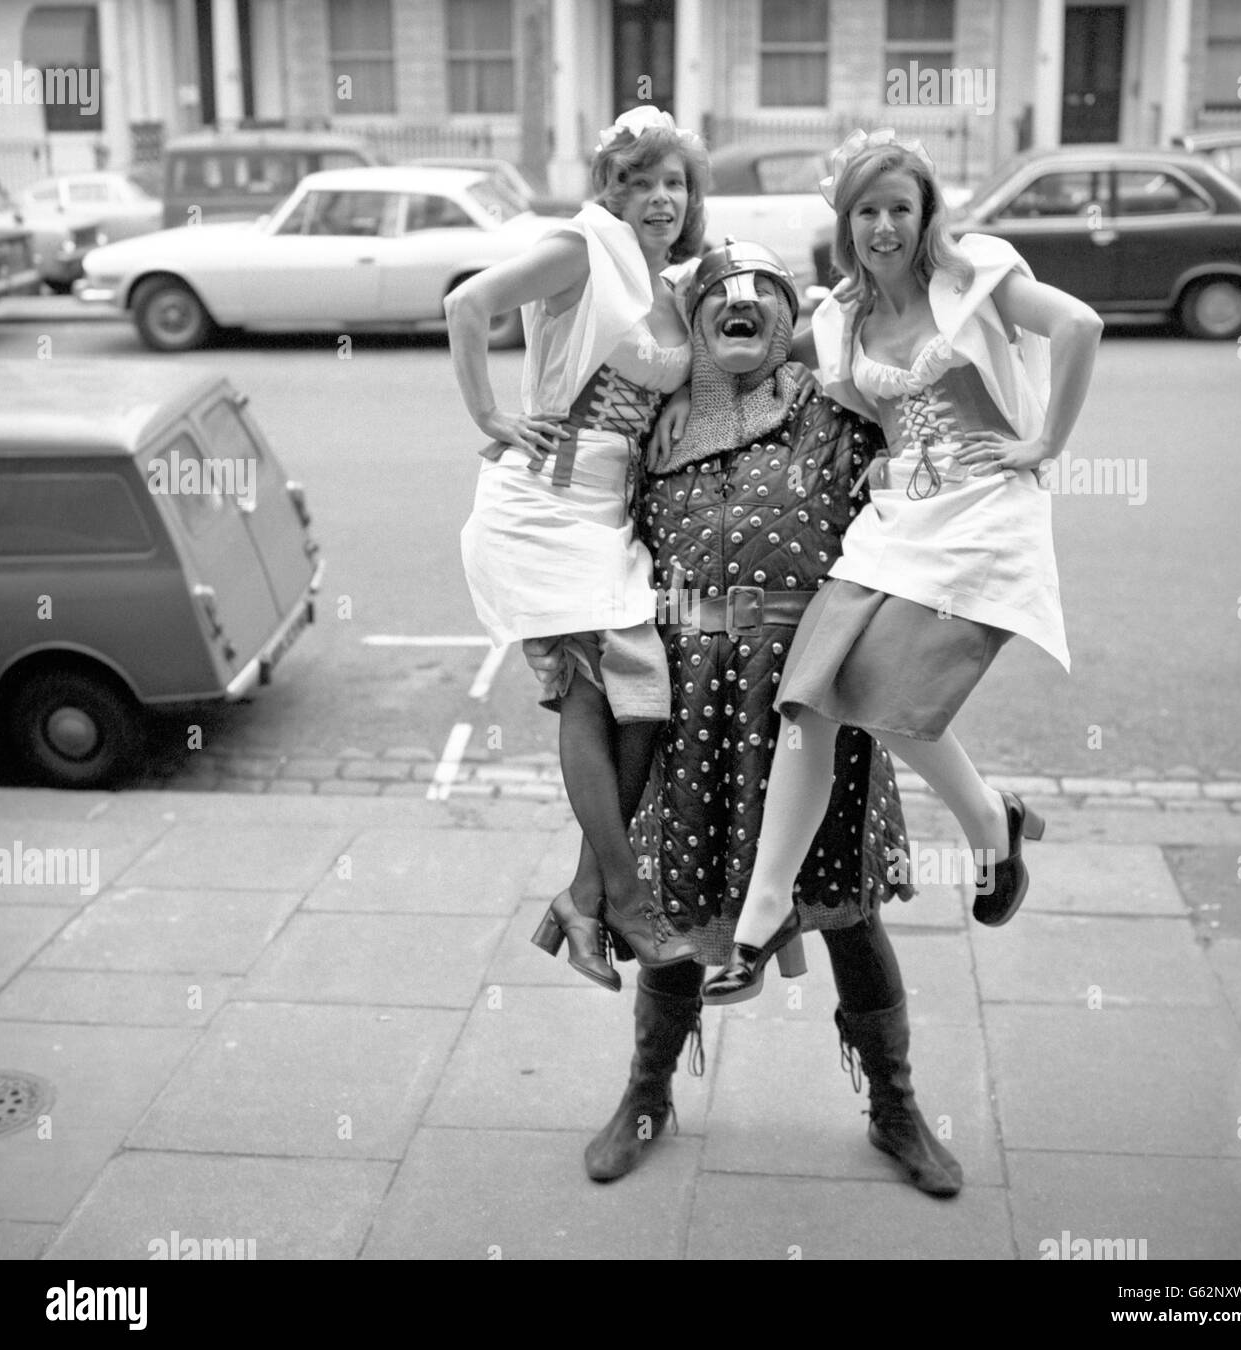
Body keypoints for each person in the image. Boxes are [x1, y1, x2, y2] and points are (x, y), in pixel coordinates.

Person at [550, 240, 963, 1197]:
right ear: (693, 323)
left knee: (845, 910)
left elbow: (926, 479)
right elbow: (573, 511)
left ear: (788, 318)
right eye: (721, 301)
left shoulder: (835, 409)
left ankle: (895, 1107)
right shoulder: (654, 423)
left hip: (809, 689)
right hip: (687, 690)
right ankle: (646, 1093)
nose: (741, 311)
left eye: (762, 299)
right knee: (674, 907)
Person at [703, 129, 1103, 1003]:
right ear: (845, 223)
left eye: (900, 208)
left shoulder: (976, 279)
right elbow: (758, 353)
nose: (884, 225)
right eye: (867, 211)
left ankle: (991, 825)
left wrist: (1046, 443)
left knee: (879, 696)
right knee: (808, 694)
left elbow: (1080, 324)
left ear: (925, 216)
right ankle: (757, 925)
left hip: (985, 516)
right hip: (901, 520)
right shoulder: (843, 316)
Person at [446, 106, 707, 978]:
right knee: (601, 698)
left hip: (604, 514)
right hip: (543, 506)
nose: (660, 198)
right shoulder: (580, 247)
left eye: (674, 183)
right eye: (641, 182)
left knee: (643, 701)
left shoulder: (667, 276)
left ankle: (583, 897)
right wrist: (488, 414)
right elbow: (467, 303)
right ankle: (622, 901)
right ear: (610, 188)